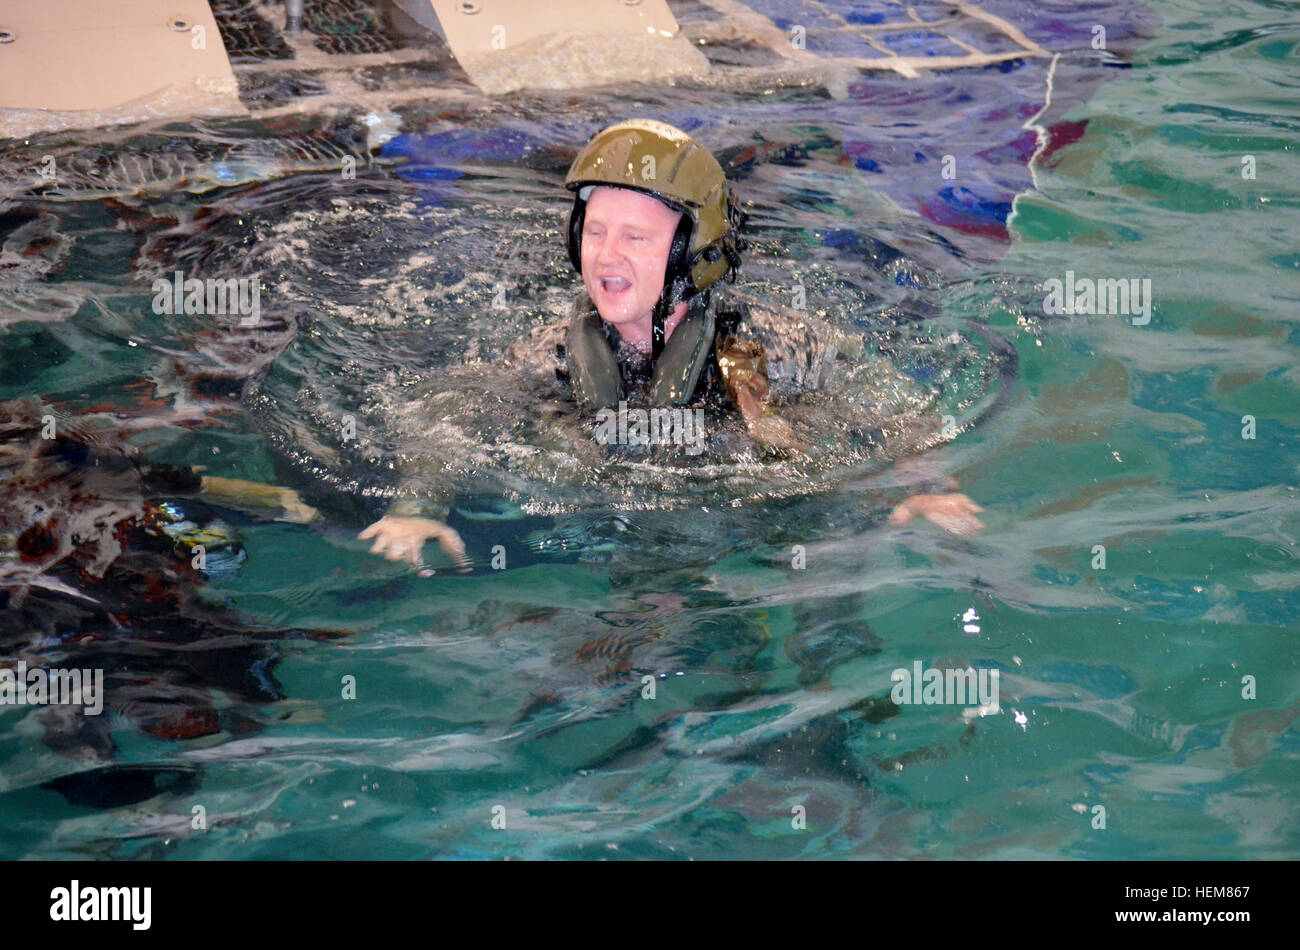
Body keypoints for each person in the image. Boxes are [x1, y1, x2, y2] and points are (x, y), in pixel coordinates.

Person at [360, 119, 983, 568]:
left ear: (691, 253)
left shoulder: (778, 344)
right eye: (595, 231)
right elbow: (449, 410)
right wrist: (419, 502)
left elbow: (886, 402)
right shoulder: (549, 352)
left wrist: (930, 484)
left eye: (636, 237)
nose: (605, 255)